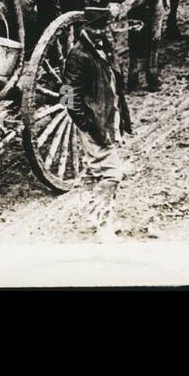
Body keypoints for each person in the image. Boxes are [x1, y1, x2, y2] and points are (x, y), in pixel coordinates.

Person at [61, 13, 132, 237]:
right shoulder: (79, 54)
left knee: (97, 173)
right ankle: (103, 227)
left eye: (104, 28)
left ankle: (102, 218)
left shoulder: (100, 47)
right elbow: (67, 94)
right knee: (112, 173)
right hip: (94, 125)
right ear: (85, 28)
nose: (101, 32)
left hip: (106, 121)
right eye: (96, 29)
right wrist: (85, 122)